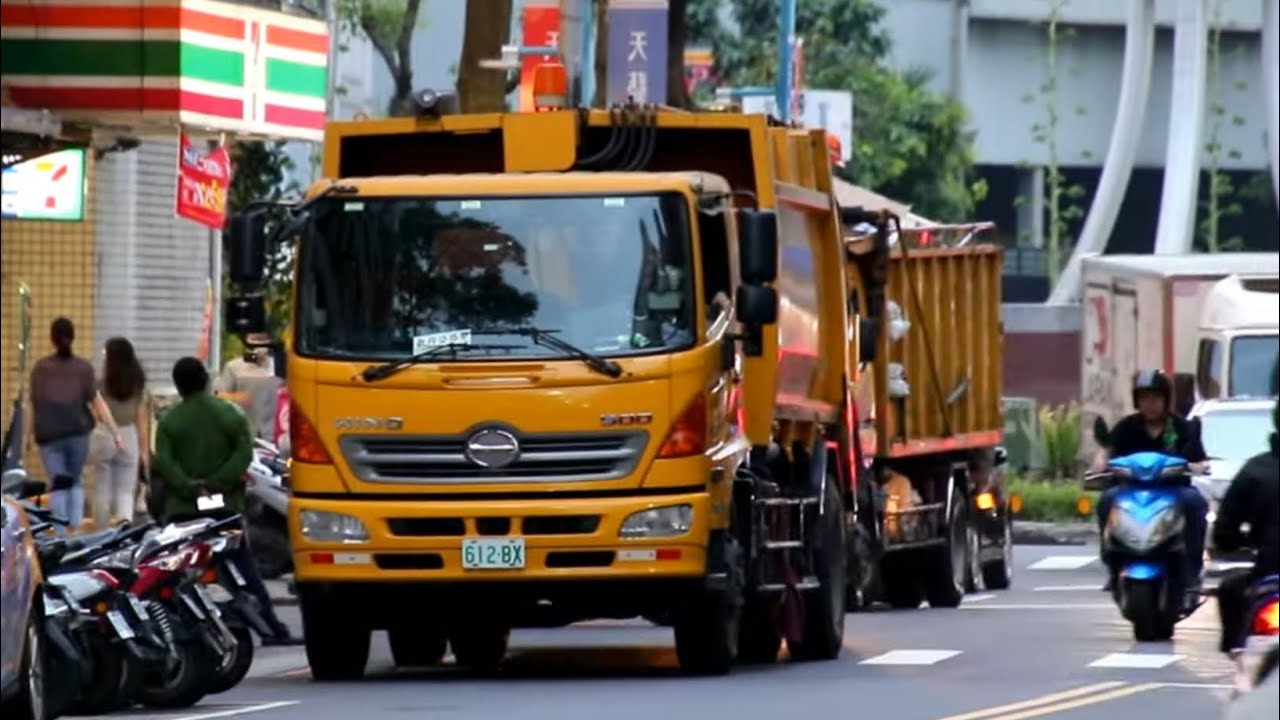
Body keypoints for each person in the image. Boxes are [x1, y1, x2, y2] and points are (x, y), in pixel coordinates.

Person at [153, 357, 299, 645]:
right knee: (245, 569)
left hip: (184, 511)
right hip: (225, 510)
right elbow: (245, 454)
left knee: (174, 573)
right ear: (206, 382)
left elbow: (164, 464)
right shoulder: (229, 415)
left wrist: (191, 487)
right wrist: (218, 482)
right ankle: (272, 629)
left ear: (179, 386)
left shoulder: (170, 421)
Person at [1090, 369, 1210, 595]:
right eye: (1144, 398)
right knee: (1106, 501)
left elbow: (1201, 460)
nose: (1150, 404)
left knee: (1195, 504)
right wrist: (1100, 464)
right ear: (1137, 401)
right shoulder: (1127, 426)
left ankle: (1192, 570)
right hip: (1130, 491)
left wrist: (1194, 467)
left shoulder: (1182, 427)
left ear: (1165, 399)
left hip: (1173, 492)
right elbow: (1106, 451)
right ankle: (1113, 564)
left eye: (1155, 398)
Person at [25, 318, 123, 536]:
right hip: (78, 432)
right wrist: (115, 431)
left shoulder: (40, 369)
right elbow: (97, 402)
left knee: (58, 483)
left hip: (48, 434)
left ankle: (59, 533)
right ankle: (75, 530)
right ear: (73, 337)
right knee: (75, 481)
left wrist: (27, 435)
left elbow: (32, 403)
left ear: (52, 338)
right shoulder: (83, 368)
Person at [1213, 397, 1279, 684]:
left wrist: (1240, 542)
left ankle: (1238, 655)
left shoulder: (1253, 470)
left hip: (1266, 573)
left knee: (1229, 589)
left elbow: (1223, 532)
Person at [91, 337, 150, 528]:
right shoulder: (137, 384)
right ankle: (123, 533)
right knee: (125, 491)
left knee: (102, 489)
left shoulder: (100, 384)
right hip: (129, 434)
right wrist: (144, 450)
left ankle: (100, 532)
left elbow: (95, 412)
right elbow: (141, 418)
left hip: (103, 433)